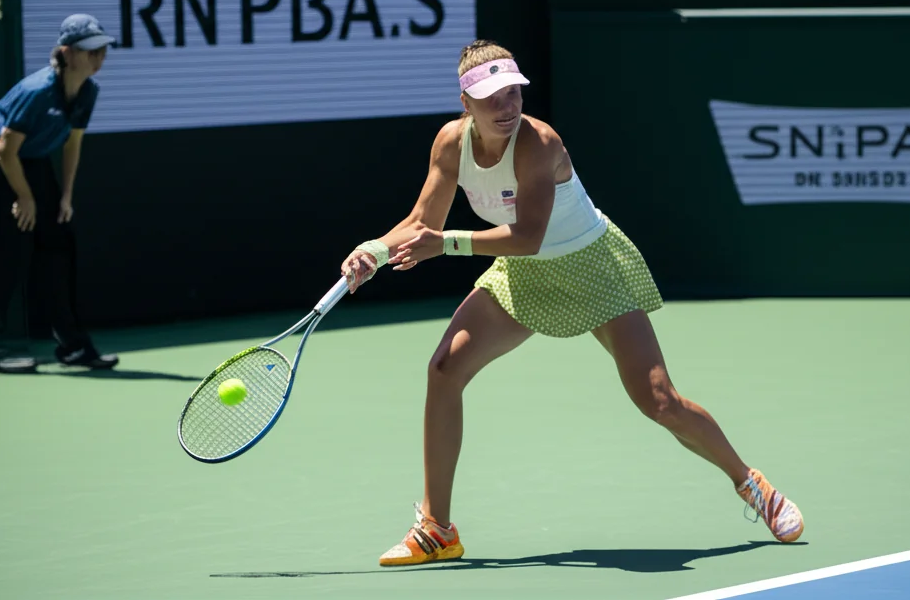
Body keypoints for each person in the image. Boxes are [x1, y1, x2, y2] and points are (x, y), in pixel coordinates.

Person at [340, 40, 804, 566]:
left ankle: (750, 484)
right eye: (492, 96)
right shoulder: (450, 143)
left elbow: (527, 236)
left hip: (590, 266)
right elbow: (423, 220)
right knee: (445, 369)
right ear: (466, 104)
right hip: (524, 275)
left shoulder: (540, 143)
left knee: (660, 400)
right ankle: (436, 529)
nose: (507, 104)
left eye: (513, 91)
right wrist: (373, 252)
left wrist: (445, 244)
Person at [0, 14, 119, 373]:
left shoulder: (89, 91)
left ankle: (74, 345)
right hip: (4, 165)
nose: (99, 57)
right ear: (67, 53)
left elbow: (72, 144)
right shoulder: (36, 91)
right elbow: (4, 150)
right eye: (90, 50)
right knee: (7, 256)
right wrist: (25, 197)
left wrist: (65, 195)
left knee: (58, 251)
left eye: (102, 49)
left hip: (32, 166)